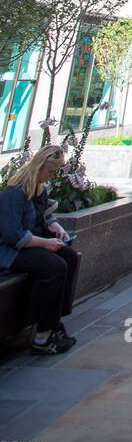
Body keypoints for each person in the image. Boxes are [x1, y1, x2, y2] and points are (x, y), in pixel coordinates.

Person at [0, 145, 81, 355]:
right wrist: (46, 244)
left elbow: (42, 216)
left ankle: (52, 323)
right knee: (54, 267)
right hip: (9, 251)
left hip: (29, 243)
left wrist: (55, 227)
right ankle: (42, 337)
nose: (51, 177)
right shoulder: (15, 191)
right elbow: (12, 236)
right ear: (39, 166)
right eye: (50, 171)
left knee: (70, 258)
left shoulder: (39, 187)